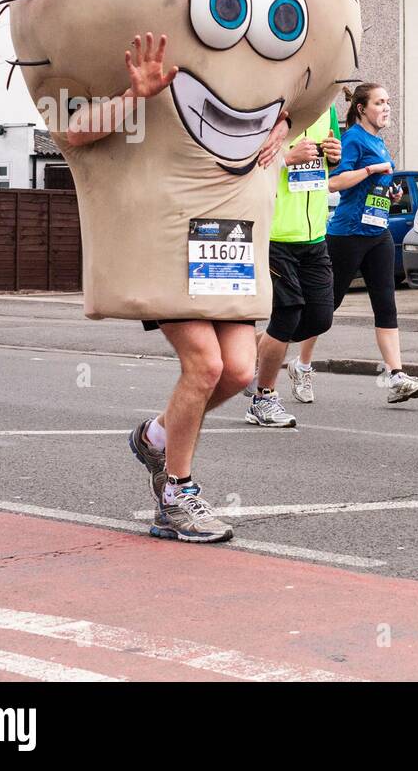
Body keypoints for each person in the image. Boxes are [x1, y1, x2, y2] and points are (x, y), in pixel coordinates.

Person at [71, 34, 289, 543]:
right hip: (169, 241)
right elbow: (74, 132)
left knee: (238, 371)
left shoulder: (256, 81)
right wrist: (135, 95)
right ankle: (177, 495)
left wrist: (282, 122)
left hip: (229, 242)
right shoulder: (149, 75)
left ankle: (154, 436)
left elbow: (302, 98)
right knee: (205, 365)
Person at [326, 83, 418, 403]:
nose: (386, 108)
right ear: (361, 108)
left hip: (378, 232)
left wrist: (390, 192)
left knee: (386, 303)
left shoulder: (378, 140)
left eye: (388, 102)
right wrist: (372, 169)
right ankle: (261, 354)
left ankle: (396, 375)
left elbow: (375, 185)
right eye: (379, 102)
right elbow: (335, 182)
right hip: (348, 234)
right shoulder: (353, 139)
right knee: (322, 308)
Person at [244, 105, 343, 426]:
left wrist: (334, 155)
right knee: (287, 316)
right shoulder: (264, 105)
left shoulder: (326, 108)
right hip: (275, 234)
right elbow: (240, 164)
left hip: (314, 233)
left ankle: (253, 356)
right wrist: (287, 157)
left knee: (320, 317)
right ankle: (263, 398)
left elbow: (331, 165)